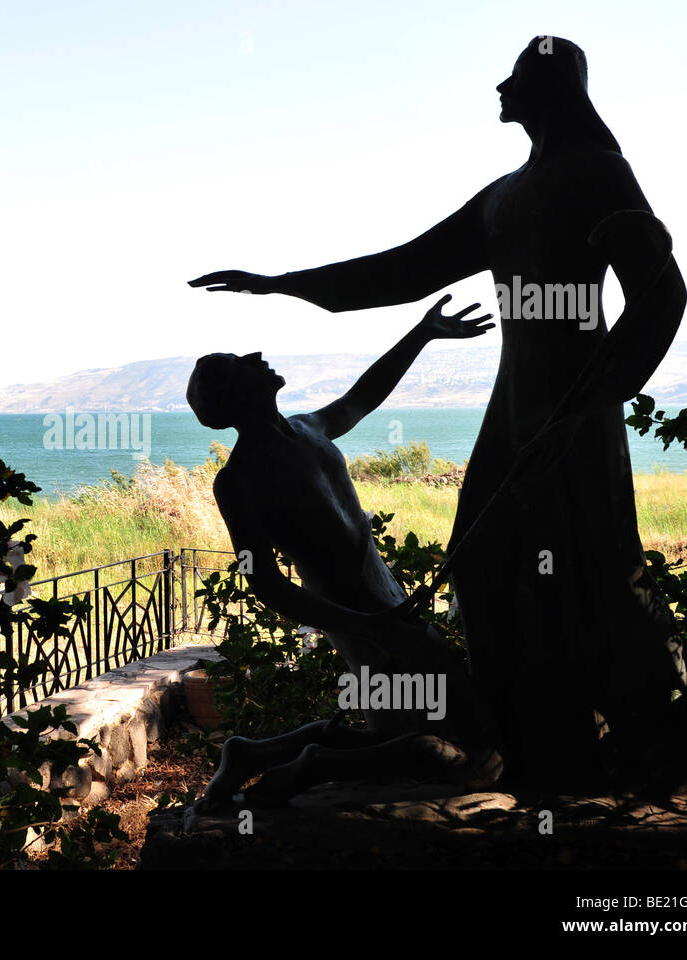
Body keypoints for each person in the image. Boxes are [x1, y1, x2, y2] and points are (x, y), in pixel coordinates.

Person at [189, 37, 687, 792]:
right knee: (485, 563)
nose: (499, 86)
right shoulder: (504, 197)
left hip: (571, 405)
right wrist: (279, 283)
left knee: (596, 563)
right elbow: (400, 269)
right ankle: (540, 751)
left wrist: (596, 396)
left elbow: (663, 293)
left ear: (552, 91)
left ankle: (666, 756)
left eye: (517, 77)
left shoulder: (599, 174)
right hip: (515, 409)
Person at [190, 295, 501, 810]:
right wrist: (364, 627)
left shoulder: (308, 428)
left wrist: (422, 333)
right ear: (233, 394)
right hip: (360, 618)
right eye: (239, 363)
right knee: (470, 737)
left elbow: (364, 397)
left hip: (388, 601)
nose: (256, 356)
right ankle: (304, 768)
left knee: (432, 728)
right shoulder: (240, 480)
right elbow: (264, 582)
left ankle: (255, 755)